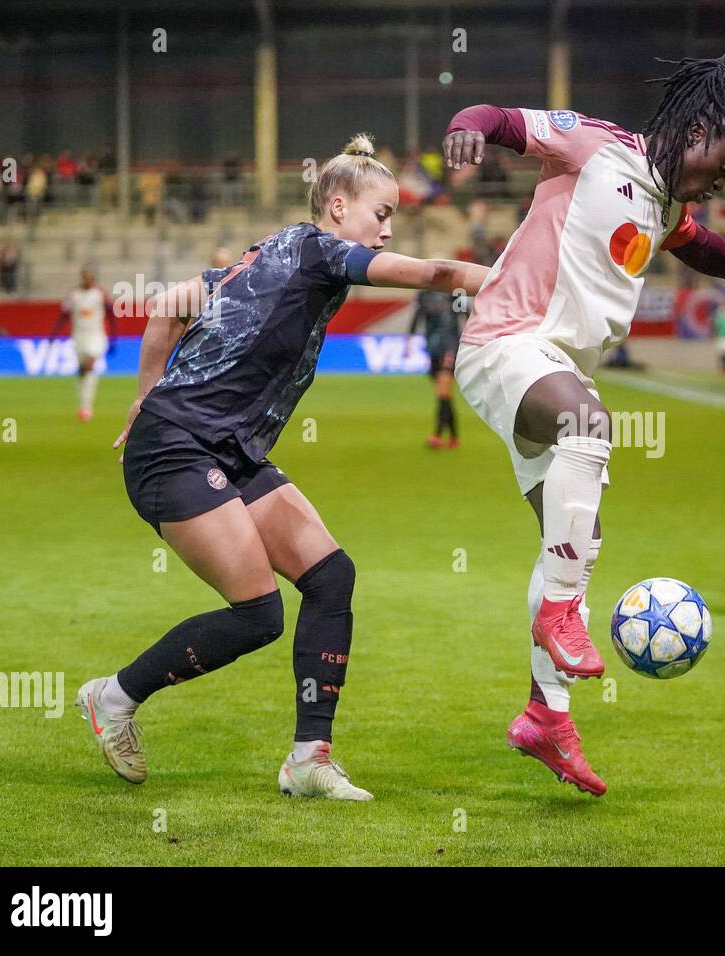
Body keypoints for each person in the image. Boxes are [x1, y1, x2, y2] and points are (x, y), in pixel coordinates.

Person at [75, 134, 489, 800]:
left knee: (331, 576)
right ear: (337, 205)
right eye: (379, 214)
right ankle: (115, 697)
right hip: (178, 447)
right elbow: (438, 274)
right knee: (258, 614)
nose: (386, 229)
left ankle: (308, 760)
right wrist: (505, 282)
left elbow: (169, 306)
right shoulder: (323, 253)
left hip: (222, 448)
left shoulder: (270, 254)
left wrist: (145, 389)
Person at [442, 55, 725, 797]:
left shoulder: (663, 205)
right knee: (587, 423)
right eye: (719, 166)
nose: (718, 184)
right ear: (695, 131)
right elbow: (501, 121)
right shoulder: (598, 146)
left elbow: (699, 244)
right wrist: (465, 129)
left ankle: (546, 717)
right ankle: (562, 615)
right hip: (506, 342)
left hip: (553, 365)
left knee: (578, 537)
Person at [50, 265, 117, 421]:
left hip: (96, 336)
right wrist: (53, 335)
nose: (87, 279)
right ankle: (84, 406)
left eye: (89, 277)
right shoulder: (74, 295)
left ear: (93, 278)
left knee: (90, 363)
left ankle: (86, 407)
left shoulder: (100, 294)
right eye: (84, 277)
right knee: (83, 373)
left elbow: (111, 316)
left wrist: (114, 338)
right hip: (79, 337)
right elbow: (64, 316)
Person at [408, 286, 463, 447]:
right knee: (444, 395)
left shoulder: (456, 292)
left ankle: (437, 434)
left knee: (443, 391)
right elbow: (417, 317)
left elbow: (467, 314)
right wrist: (409, 339)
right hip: (433, 347)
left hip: (450, 347)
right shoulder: (424, 295)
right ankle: (454, 437)